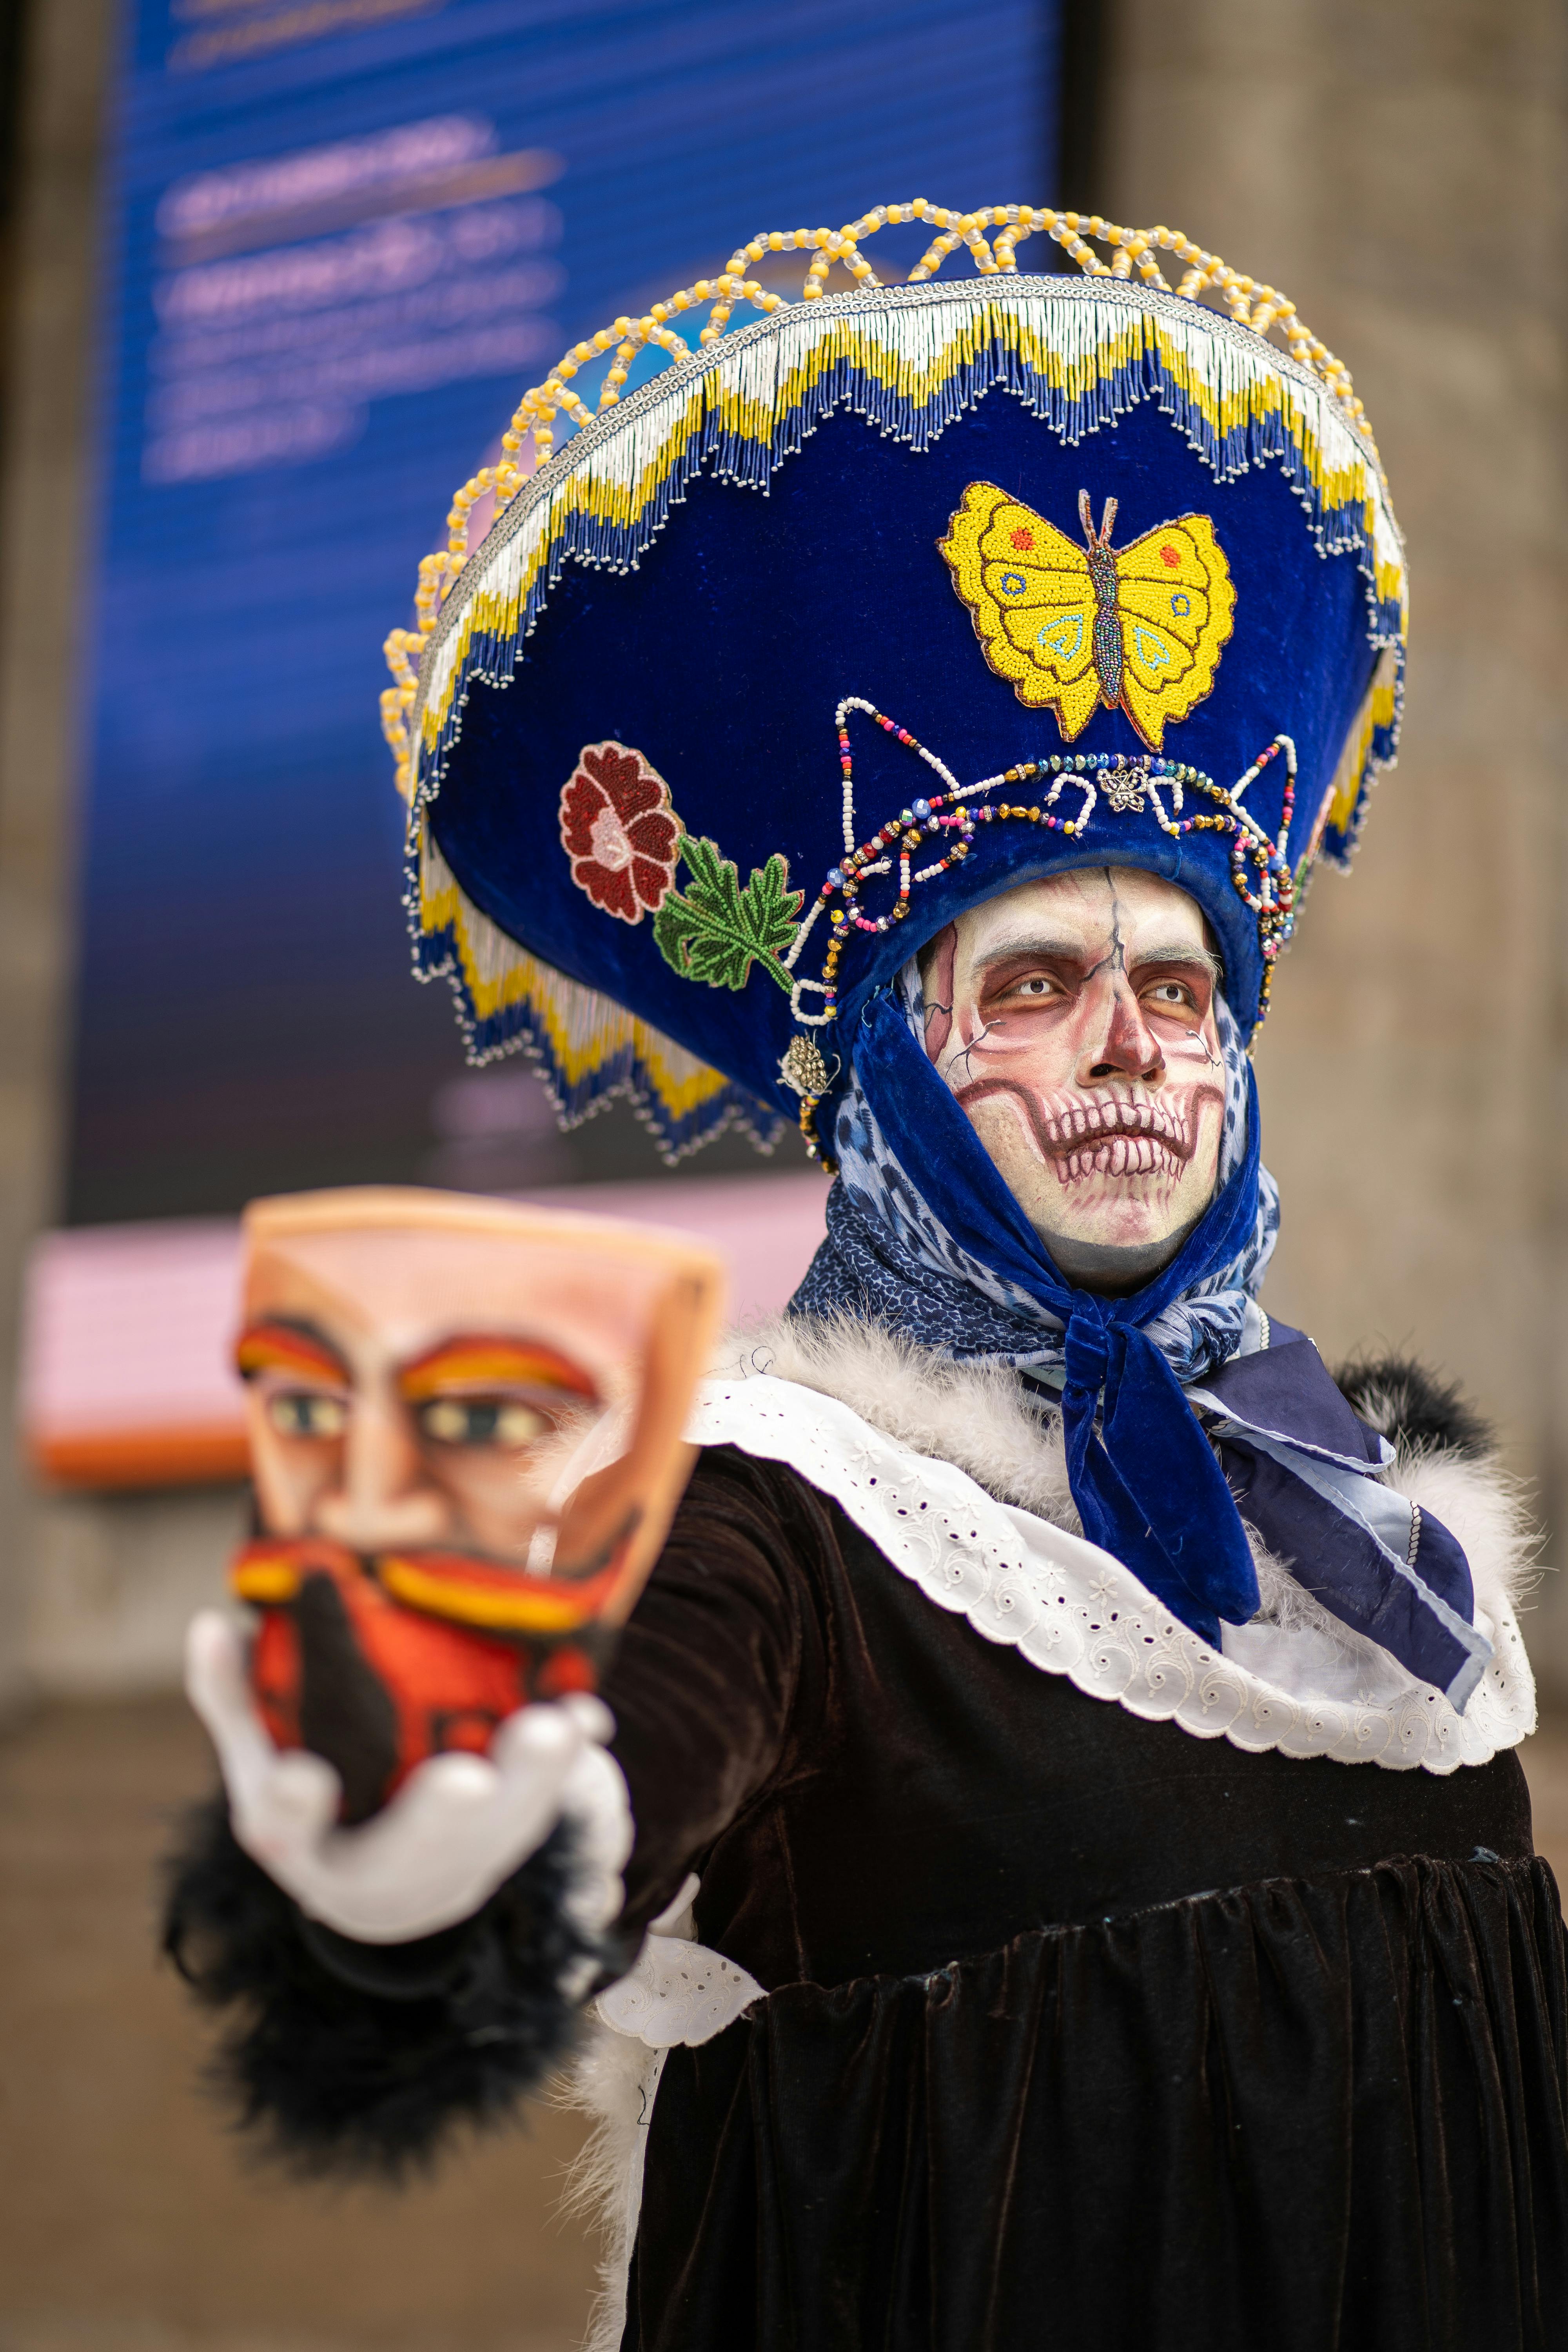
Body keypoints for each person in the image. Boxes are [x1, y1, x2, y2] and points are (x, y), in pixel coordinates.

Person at [166, 201, 1567, 2351]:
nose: (1132, 1047)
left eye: (1183, 993)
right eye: (1033, 983)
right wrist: (422, 1871)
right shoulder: (782, 1511)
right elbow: (602, 1775)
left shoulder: (1370, 1509)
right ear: (893, 1081)